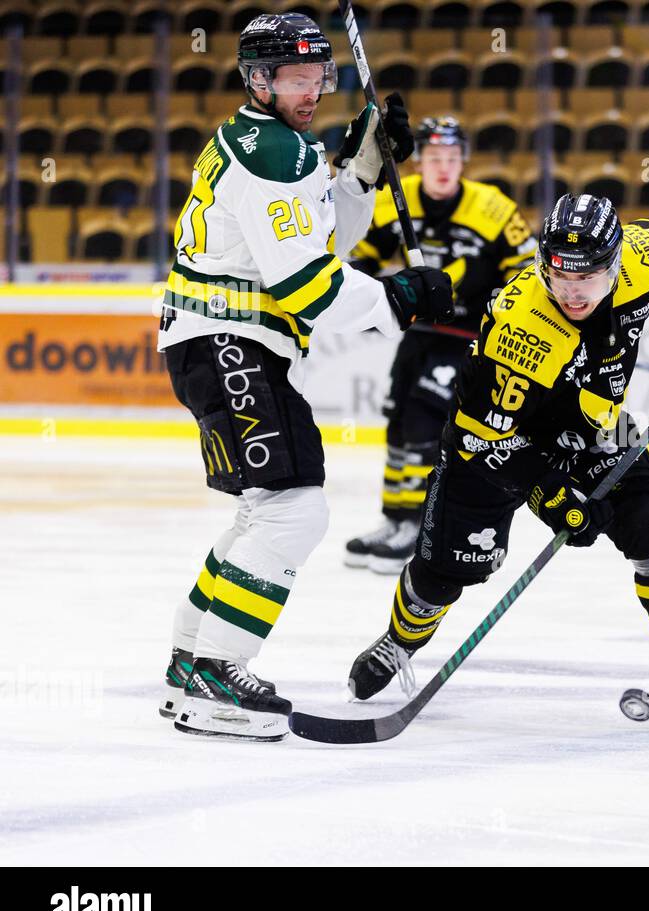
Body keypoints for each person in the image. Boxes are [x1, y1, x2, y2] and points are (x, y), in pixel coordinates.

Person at [345, 193, 649, 727]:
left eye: (586, 276)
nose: (570, 290)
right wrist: (549, 493)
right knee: (445, 573)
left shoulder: (641, 256)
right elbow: (482, 437)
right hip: (493, 442)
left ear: (616, 263)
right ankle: (399, 641)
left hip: (594, 423)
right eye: (559, 274)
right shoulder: (525, 325)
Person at [156, 12, 454, 740]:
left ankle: (192, 662)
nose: (312, 89)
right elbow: (309, 286)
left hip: (218, 344)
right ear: (257, 80)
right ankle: (216, 674)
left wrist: (360, 173)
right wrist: (400, 296)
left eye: (320, 75)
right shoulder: (273, 152)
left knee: (267, 513)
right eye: (296, 77)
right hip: (230, 343)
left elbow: (321, 241)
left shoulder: (276, 146)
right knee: (293, 509)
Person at [343, 117, 537, 573]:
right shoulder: (398, 200)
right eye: (434, 159)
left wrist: (502, 316)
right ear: (420, 164)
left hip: (468, 341)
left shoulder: (492, 208)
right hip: (419, 335)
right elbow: (361, 258)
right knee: (397, 419)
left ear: (463, 162)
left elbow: (529, 272)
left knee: (424, 420)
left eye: (452, 159)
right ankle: (393, 519)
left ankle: (417, 522)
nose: (443, 168)